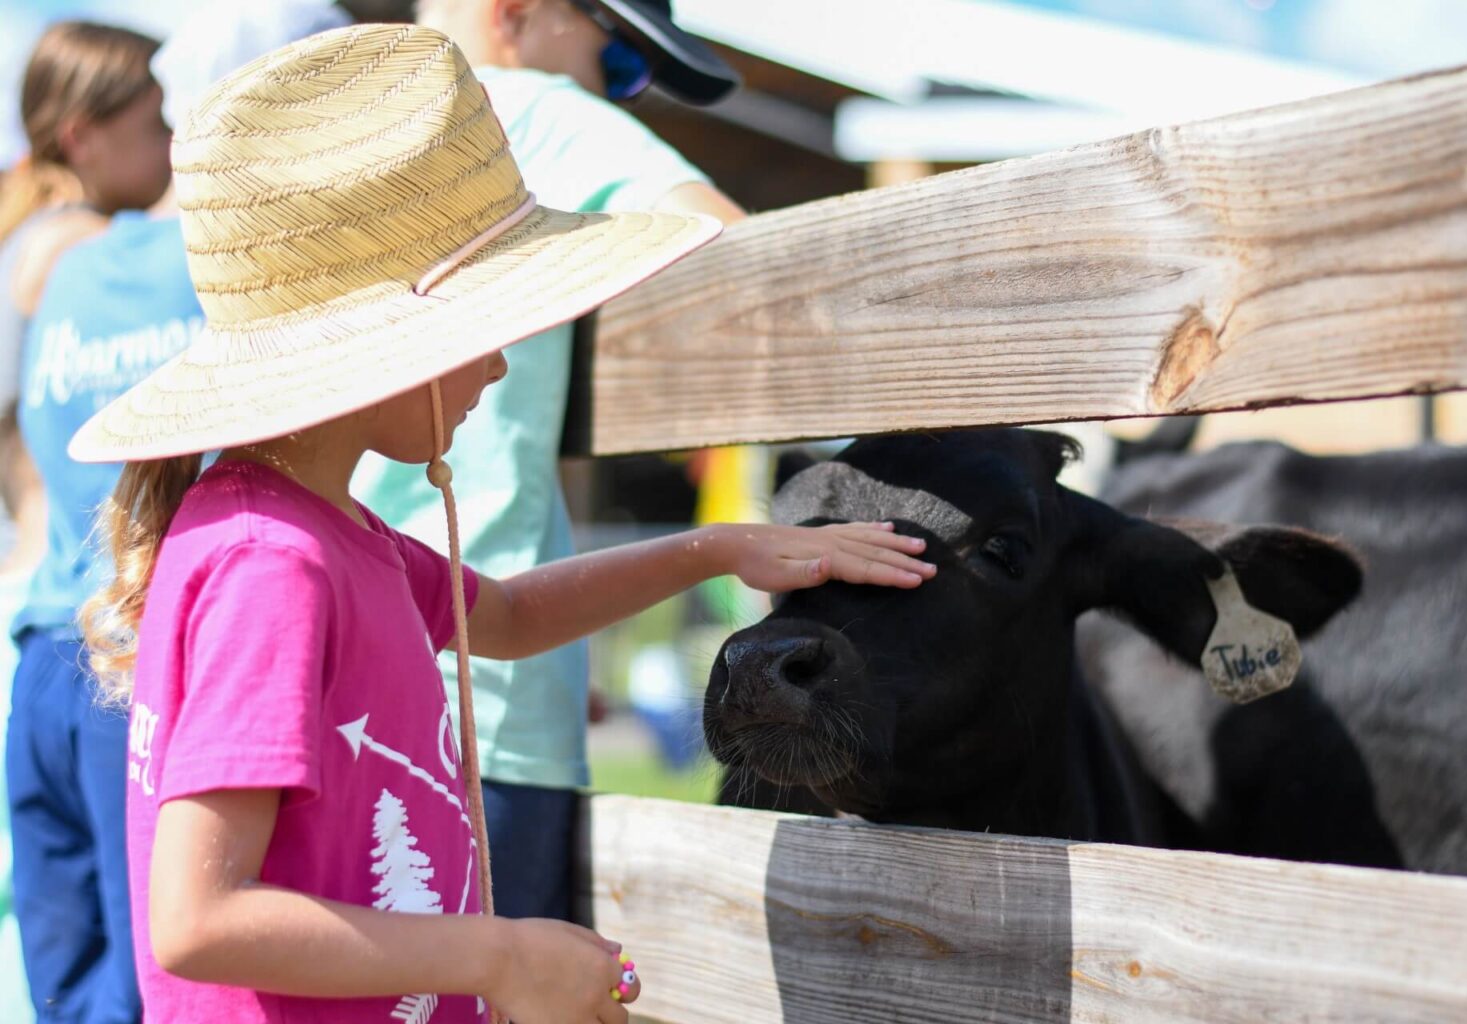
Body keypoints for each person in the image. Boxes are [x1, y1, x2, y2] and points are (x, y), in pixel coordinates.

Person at [72, 24, 932, 1023]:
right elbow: (199, 918)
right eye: (483, 329)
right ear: (385, 342)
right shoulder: (276, 563)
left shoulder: (320, 528)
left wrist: (720, 548)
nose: (499, 366)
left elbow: (511, 615)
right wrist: (502, 954)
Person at [374, 0, 744, 921]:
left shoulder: (356, 136)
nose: (620, 95)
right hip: (488, 696)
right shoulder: (529, 107)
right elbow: (733, 243)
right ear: (518, 15)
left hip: (347, 673)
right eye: (617, 66)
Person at [1, 20, 172, 1024]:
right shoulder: (137, 261)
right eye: (155, 120)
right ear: (83, 135)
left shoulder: (21, 262)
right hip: (122, 647)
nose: (173, 142)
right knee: (153, 968)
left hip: (37, 647)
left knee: (64, 980)